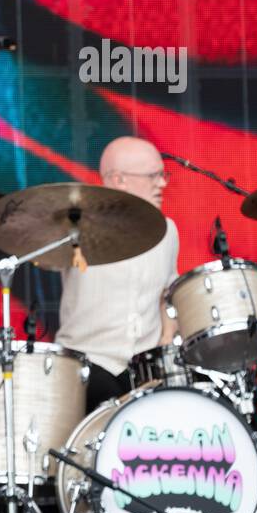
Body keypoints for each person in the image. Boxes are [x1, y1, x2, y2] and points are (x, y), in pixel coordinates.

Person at [55, 136, 179, 410]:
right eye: (153, 175)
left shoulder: (167, 230)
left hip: (143, 368)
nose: (162, 183)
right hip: (87, 363)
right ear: (119, 180)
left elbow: (168, 295)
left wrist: (167, 337)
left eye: (163, 174)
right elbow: (44, 255)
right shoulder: (77, 226)